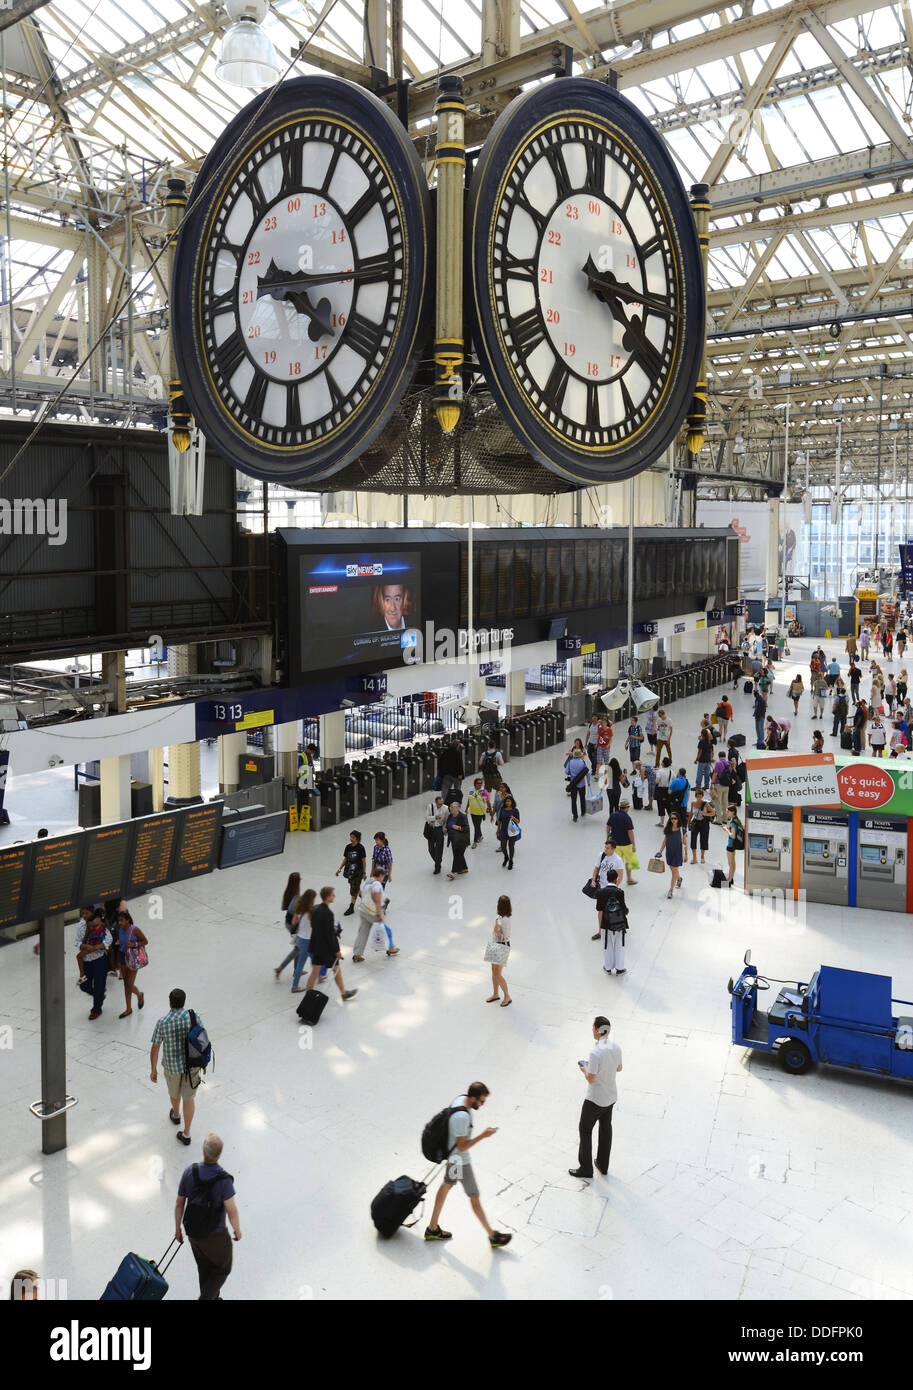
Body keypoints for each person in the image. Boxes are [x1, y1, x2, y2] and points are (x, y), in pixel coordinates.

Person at [424, 1083, 512, 1247]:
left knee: (447, 1185)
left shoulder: (460, 1100)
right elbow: (462, 1146)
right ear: (472, 1098)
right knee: (474, 1196)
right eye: (481, 1101)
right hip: (460, 1161)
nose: (482, 1104)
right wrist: (483, 1135)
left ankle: (432, 1228)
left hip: (454, 1159)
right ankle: (493, 1236)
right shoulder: (462, 1117)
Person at [175, 1133, 241, 1301]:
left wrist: (177, 1228)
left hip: (193, 1232)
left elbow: (179, 1203)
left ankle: (212, 1298)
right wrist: (237, 1229)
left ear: (203, 1152)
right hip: (215, 1235)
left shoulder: (190, 1171)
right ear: (219, 1154)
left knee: (204, 1267)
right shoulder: (224, 1180)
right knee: (223, 1269)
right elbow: (232, 1211)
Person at [568, 1017, 622, 1180]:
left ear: (598, 1030)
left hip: (595, 1099)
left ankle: (586, 1168)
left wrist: (584, 1068)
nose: (592, 1029)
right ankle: (603, 1165)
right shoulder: (616, 1047)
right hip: (611, 1096)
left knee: (585, 1130)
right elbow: (619, 1068)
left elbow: (590, 1079)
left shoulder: (595, 1053)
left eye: (593, 1027)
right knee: (606, 1129)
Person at [150, 987, 200, 1147]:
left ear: (170, 1002)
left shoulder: (162, 1022)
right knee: (189, 1098)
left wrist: (153, 1069)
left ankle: (176, 1115)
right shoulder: (193, 1016)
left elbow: (155, 1047)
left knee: (174, 1093)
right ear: (184, 1002)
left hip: (172, 1067)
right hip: (192, 1065)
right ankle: (186, 1133)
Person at [302, 886, 357, 1000]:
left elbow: (315, 926)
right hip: (326, 949)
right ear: (327, 897)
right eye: (332, 895)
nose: (334, 896)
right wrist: (337, 951)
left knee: (315, 972)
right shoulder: (328, 913)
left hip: (316, 945)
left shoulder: (315, 909)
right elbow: (330, 935)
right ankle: (343, 993)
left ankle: (307, 996)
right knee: (336, 968)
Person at [353, 866, 398, 962]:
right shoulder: (377, 884)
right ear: (380, 875)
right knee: (386, 930)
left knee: (362, 933)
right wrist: (380, 916)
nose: (383, 879)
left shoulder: (368, 882)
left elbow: (365, 895)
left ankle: (357, 954)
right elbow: (377, 901)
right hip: (373, 913)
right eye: (383, 876)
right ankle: (391, 948)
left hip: (363, 910)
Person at [75, 905, 112, 1021]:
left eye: (86, 913)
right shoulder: (81, 926)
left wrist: (96, 947)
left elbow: (108, 939)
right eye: (83, 913)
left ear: (92, 913)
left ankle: (96, 1009)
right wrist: (85, 946)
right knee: (84, 985)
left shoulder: (100, 923)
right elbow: (77, 942)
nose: (84, 916)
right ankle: (99, 995)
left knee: (99, 985)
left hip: (100, 959)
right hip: (86, 960)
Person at [589, 838, 625, 938]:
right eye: (605, 847)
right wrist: (593, 880)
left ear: (613, 849)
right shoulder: (601, 855)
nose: (605, 849)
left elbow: (620, 876)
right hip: (601, 888)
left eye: (608, 848)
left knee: (613, 909)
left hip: (611, 888)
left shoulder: (618, 860)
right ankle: (600, 932)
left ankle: (618, 926)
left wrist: (615, 888)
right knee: (601, 910)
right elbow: (596, 868)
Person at [289, 888, 322, 993]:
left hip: (300, 939)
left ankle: (295, 986)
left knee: (303, 962)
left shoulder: (299, 908)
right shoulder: (311, 911)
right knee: (315, 960)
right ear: (312, 899)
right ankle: (319, 976)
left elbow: (293, 922)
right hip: (308, 940)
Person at [116, 909, 147, 1018]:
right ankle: (128, 1009)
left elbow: (145, 941)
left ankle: (139, 995)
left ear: (128, 920)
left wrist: (134, 944)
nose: (119, 922)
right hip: (123, 957)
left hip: (133, 958)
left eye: (122, 920)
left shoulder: (135, 929)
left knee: (129, 984)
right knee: (126, 984)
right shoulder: (120, 929)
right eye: (119, 920)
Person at [597, 871, 628, 976]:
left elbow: (599, 909)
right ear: (616, 879)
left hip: (606, 924)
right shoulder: (620, 892)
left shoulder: (601, 892)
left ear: (607, 879)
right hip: (619, 923)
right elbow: (624, 909)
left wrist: (600, 926)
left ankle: (608, 967)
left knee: (607, 945)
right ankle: (620, 969)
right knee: (619, 945)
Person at [484, 895, 512, 1007]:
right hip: (495, 944)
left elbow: (505, 936)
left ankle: (507, 996)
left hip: (502, 946)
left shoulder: (504, 920)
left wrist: (497, 930)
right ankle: (495, 994)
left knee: (498, 974)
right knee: (493, 971)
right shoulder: (500, 917)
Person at [275, 871, 303, 975]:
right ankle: (281, 969)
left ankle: (296, 970)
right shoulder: (296, 896)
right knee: (298, 948)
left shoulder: (288, 892)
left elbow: (284, 907)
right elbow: (294, 910)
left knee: (298, 948)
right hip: (294, 925)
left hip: (288, 922)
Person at [607, 798, 638, 885]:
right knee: (628, 862)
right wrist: (633, 844)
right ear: (627, 807)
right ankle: (629, 879)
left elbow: (608, 827)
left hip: (615, 844)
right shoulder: (627, 818)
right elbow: (630, 832)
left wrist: (608, 837)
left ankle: (614, 881)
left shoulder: (613, 815)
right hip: (626, 844)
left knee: (617, 863)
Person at [335, 829, 367, 914]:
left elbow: (363, 861)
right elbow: (345, 859)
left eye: (353, 837)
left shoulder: (361, 848)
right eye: (350, 837)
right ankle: (365, 898)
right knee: (354, 886)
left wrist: (364, 873)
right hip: (350, 871)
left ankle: (351, 907)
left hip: (358, 871)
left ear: (357, 838)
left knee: (353, 889)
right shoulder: (348, 847)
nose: (351, 838)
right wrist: (339, 869)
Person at [658, 809, 685, 899]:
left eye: (675, 818)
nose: (673, 820)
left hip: (678, 853)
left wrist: (686, 855)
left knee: (674, 871)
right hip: (669, 852)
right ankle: (679, 879)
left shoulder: (682, 830)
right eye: (671, 818)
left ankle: (671, 890)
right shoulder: (668, 829)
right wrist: (660, 851)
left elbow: (685, 843)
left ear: (678, 819)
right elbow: (665, 841)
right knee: (673, 870)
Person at [687, 789, 713, 865]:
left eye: (700, 796)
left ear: (702, 796)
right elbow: (691, 813)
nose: (699, 798)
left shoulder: (705, 804)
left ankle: (702, 856)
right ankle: (694, 858)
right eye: (698, 796)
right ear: (696, 796)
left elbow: (713, 812)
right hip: (695, 822)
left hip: (704, 823)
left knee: (704, 839)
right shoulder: (693, 803)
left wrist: (705, 814)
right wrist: (688, 822)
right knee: (693, 840)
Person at [565, 744, 590, 822]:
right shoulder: (583, 762)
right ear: (580, 755)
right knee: (582, 798)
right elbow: (588, 773)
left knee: (573, 800)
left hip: (573, 784)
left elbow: (566, 771)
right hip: (582, 784)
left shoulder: (570, 762)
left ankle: (575, 816)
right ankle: (583, 812)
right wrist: (588, 782)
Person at [446, 801, 471, 879]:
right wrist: (446, 829)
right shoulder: (450, 816)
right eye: (450, 807)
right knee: (458, 855)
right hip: (454, 840)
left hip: (462, 840)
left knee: (457, 855)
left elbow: (466, 828)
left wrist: (459, 828)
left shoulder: (462, 816)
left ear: (457, 808)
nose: (450, 809)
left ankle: (453, 872)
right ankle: (464, 868)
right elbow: (448, 825)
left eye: (452, 807)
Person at [424, 794, 447, 874]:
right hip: (431, 829)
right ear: (436, 803)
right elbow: (426, 818)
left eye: (442, 803)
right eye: (439, 804)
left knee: (439, 849)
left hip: (440, 830)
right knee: (431, 849)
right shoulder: (430, 807)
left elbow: (447, 820)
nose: (441, 805)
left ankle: (437, 867)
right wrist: (435, 817)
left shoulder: (445, 808)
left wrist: (444, 827)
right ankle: (438, 861)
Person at [496, 794, 520, 869]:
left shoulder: (515, 810)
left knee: (511, 846)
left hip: (512, 831)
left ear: (512, 802)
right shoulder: (502, 809)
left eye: (509, 801)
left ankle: (511, 861)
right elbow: (500, 820)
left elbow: (518, 821)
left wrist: (514, 818)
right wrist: (498, 829)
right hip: (503, 830)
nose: (507, 803)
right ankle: (506, 857)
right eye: (506, 801)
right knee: (503, 846)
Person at [438, 739, 465, 804]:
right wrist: (461, 774)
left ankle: (443, 801)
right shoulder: (457, 753)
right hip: (456, 775)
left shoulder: (445, 751)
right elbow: (459, 764)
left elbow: (440, 761)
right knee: (457, 789)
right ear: (457, 746)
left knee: (445, 789)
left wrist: (440, 771)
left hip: (446, 774)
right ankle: (456, 802)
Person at [710, 748, 731, 826]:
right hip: (727, 785)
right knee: (725, 802)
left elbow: (715, 774)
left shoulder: (718, 763)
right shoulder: (728, 764)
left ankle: (719, 820)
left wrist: (712, 783)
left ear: (719, 756)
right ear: (725, 756)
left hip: (719, 784)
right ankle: (725, 818)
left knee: (718, 802)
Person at [466, 777, 489, 845]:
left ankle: (475, 842)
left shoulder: (484, 791)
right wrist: (466, 808)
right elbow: (469, 799)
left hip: (480, 812)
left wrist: (491, 812)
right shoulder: (471, 789)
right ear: (475, 784)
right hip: (472, 811)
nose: (480, 784)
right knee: (476, 826)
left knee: (476, 827)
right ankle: (480, 836)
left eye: (481, 783)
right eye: (478, 783)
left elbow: (488, 802)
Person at [726, 805, 744, 887]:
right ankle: (731, 879)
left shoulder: (733, 823)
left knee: (730, 864)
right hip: (734, 845)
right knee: (732, 863)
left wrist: (726, 829)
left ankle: (728, 881)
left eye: (728, 811)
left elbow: (732, 836)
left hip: (730, 845)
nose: (726, 813)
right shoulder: (737, 820)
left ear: (732, 812)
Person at [694, 723, 713, 791]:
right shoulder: (709, 741)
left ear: (702, 734)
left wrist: (696, 759)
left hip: (702, 760)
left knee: (700, 773)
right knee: (707, 773)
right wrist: (711, 759)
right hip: (708, 760)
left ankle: (698, 786)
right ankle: (706, 785)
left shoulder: (701, 742)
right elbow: (711, 751)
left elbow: (700, 752)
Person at [654, 756, 672, 825]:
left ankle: (662, 822)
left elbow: (657, 781)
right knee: (668, 807)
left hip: (660, 790)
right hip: (668, 790)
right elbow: (674, 779)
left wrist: (655, 781)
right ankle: (672, 820)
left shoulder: (660, 771)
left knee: (661, 806)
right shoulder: (671, 771)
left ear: (663, 763)